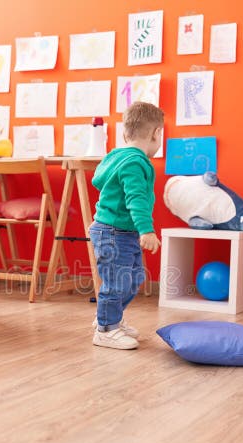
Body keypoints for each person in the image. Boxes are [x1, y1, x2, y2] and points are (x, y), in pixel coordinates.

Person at [90, 101, 164, 350]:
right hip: (113, 232)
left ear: (125, 133)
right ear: (157, 133)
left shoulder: (118, 157)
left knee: (133, 279)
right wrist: (147, 230)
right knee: (117, 282)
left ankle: (112, 318)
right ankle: (105, 329)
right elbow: (136, 199)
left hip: (122, 232)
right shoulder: (134, 163)